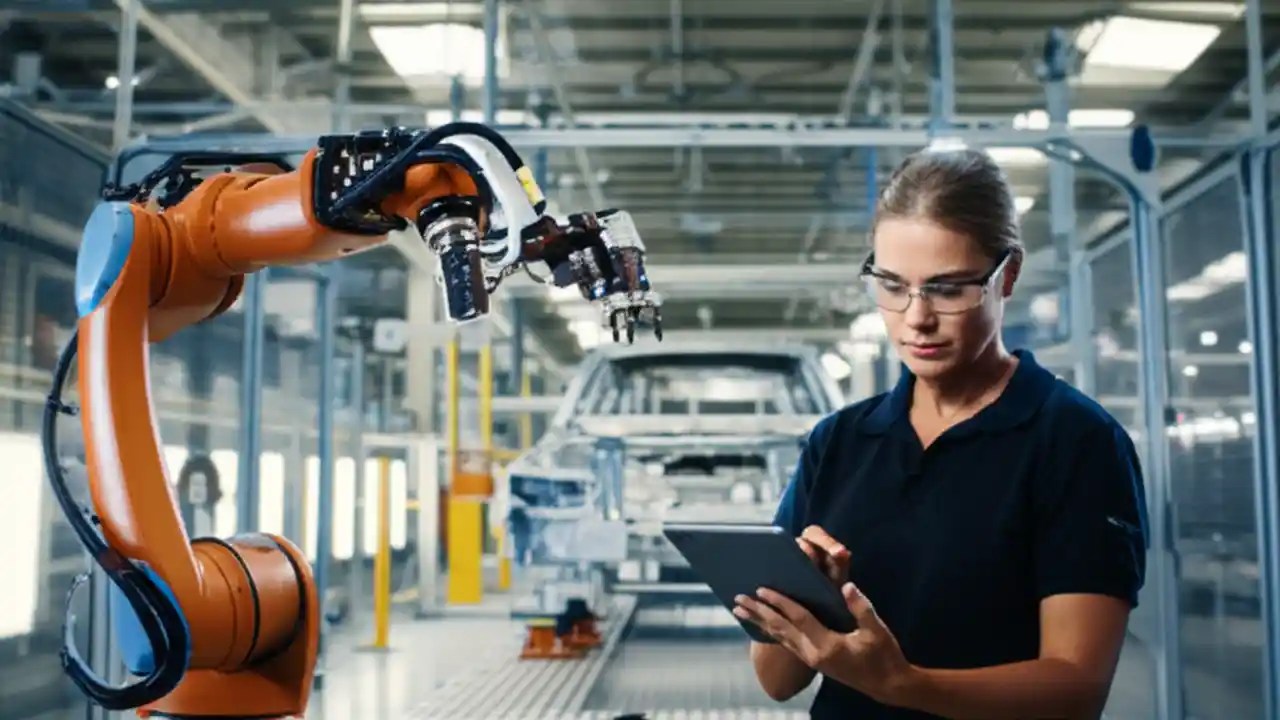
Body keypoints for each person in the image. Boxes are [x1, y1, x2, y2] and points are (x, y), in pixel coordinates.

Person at [734, 148, 1149, 720]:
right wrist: (811, 600)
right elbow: (777, 681)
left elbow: (1075, 691)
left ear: (1008, 275)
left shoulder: (1075, 442)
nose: (915, 318)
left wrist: (902, 684)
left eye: (948, 289)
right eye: (892, 284)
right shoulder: (840, 442)